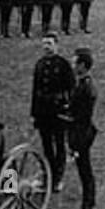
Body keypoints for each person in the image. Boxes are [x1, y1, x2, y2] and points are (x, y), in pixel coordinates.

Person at [31, 33, 74, 193]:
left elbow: (71, 89)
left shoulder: (63, 65)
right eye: (44, 44)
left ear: (56, 45)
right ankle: (47, 175)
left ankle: (58, 178)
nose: (46, 47)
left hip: (58, 112)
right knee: (46, 146)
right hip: (43, 113)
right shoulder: (40, 64)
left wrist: (66, 108)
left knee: (60, 146)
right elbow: (35, 90)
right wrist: (34, 113)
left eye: (49, 43)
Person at [64, 47, 99, 209]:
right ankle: (86, 208)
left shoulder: (86, 87)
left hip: (81, 134)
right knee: (84, 172)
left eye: (75, 62)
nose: (72, 64)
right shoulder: (82, 83)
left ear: (82, 65)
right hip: (79, 131)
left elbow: (82, 116)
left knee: (85, 173)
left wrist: (68, 116)